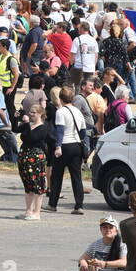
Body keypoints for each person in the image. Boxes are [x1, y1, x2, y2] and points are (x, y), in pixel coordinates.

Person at [47, 86, 87, 214]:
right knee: (76, 177)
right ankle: (79, 205)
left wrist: (58, 146)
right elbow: (83, 131)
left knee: (57, 176)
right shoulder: (77, 111)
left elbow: (60, 131)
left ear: (60, 98)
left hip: (64, 145)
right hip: (76, 145)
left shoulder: (61, 111)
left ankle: (53, 204)